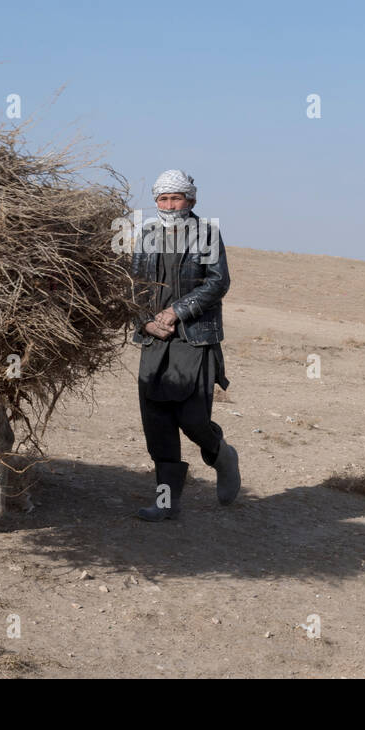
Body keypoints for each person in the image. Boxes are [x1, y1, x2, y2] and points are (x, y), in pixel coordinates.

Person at [131, 169, 240, 521]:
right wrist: (145, 321)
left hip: (193, 339)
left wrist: (177, 312)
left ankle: (221, 454)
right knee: (157, 424)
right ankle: (167, 503)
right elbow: (132, 287)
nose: (169, 204)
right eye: (163, 198)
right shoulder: (146, 234)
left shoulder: (206, 233)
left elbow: (217, 282)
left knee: (193, 419)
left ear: (191, 200)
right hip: (155, 340)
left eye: (176, 198)